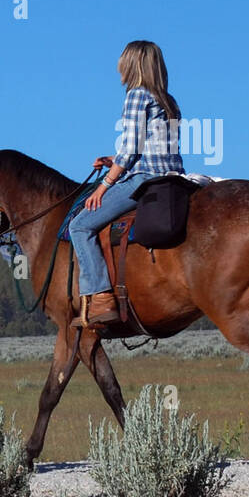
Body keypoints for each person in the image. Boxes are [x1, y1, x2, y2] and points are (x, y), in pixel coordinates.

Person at [68, 40, 184, 327]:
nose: (118, 68)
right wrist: (114, 158)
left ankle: (100, 297)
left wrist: (104, 185)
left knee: (79, 225)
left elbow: (132, 148)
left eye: (122, 62)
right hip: (173, 177)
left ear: (132, 65)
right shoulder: (168, 100)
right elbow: (149, 146)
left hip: (145, 179)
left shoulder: (136, 96)